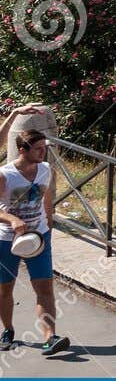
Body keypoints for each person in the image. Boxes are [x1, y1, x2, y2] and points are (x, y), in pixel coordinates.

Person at [0, 131, 67, 355]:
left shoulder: (45, 169)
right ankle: (8, 331)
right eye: (38, 148)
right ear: (22, 150)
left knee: (45, 287)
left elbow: (46, 197)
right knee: (4, 289)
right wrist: (12, 219)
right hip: (7, 239)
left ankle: (50, 338)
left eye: (44, 147)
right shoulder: (6, 175)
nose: (43, 152)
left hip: (39, 236)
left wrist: (47, 225)